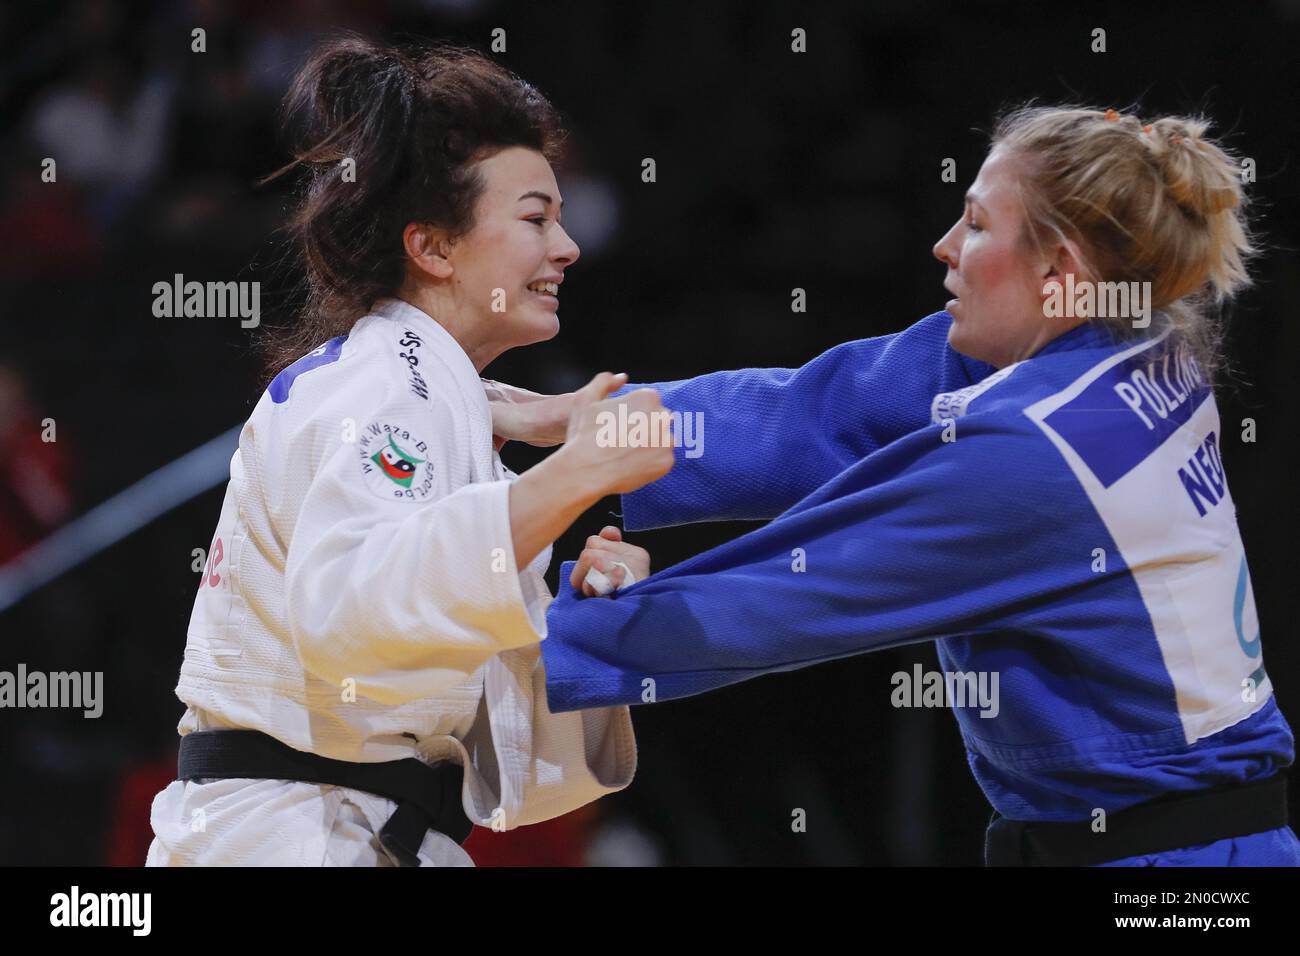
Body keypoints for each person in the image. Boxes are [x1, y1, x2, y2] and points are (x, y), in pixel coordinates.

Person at [491, 105, 1298, 866]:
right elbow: (817, 413)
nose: (945, 245)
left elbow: (782, 601)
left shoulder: (1032, 457)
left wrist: (513, 635)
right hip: (1141, 834)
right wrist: (587, 422)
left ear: (1060, 269)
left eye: (979, 225)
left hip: (1179, 866)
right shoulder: (1134, 341)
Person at [146, 36, 671, 867]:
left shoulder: (425, 401)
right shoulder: (388, 388)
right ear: (431, 248)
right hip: (292, 837)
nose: (566, 247)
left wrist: (589, 617)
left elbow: (517, 776)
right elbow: (353, 617)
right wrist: (570, 479)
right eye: (536, 218)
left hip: (352, 830)